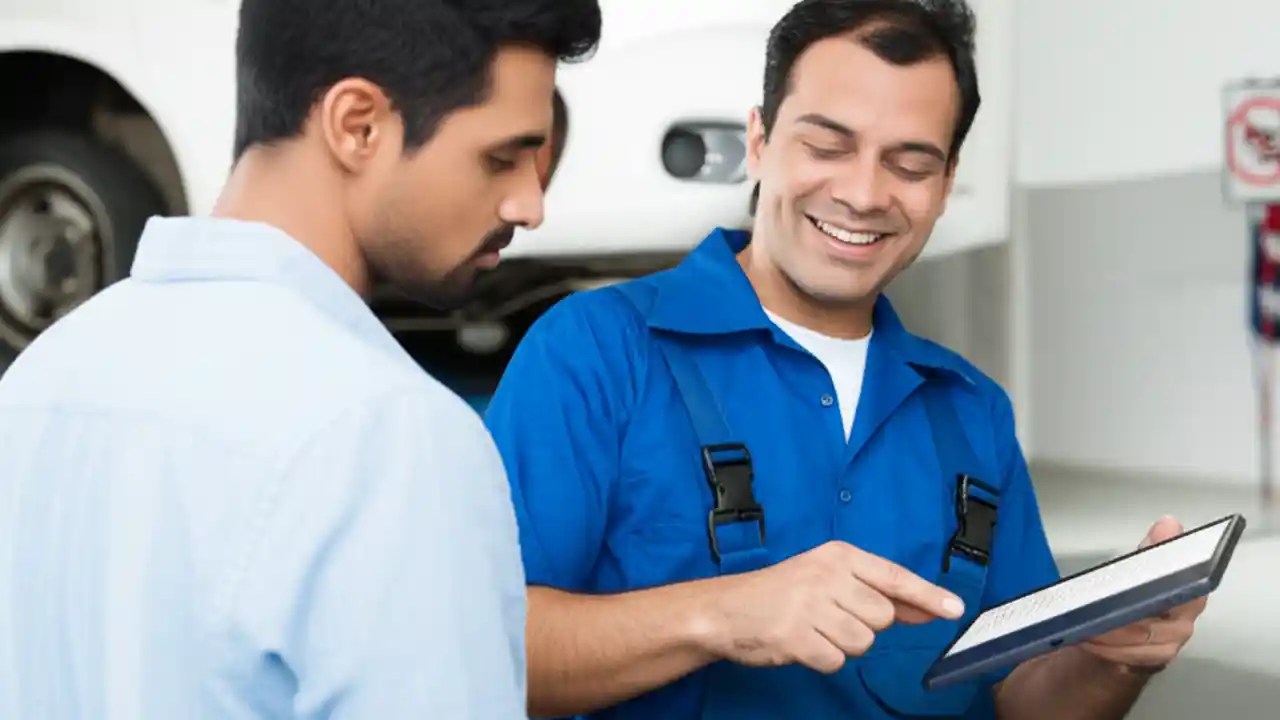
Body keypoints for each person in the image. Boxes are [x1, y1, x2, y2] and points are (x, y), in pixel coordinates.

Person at [483, 0, 1205, 718]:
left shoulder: (971, 411)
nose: (862, 194)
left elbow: (1021, 698)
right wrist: (724, 613)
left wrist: (1111, 658)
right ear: (759, 141)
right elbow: (492, 649)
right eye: (826, 147)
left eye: (909, 163)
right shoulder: (596, 352)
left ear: (947, 183)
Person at [0, 0, 600, 717]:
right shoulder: (395, 438)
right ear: (358, 125)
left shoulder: (40, 380)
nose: (531, 205)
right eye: (502, 158)